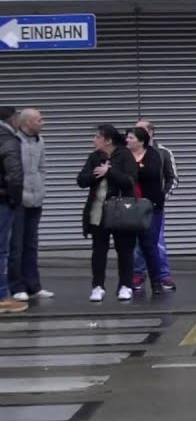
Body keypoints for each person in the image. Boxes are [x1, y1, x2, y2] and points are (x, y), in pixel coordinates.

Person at [77, 125, 140, 302]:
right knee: (98, 250)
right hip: (98, 211)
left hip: (120, 210)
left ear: (108, 140)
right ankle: (97, 286)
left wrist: (110, 171)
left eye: (97, 137)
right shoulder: (94, 157)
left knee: (125, 250)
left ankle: (125, 285)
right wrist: (96, 174)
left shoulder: (124, 155)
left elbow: (130, 180)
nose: (94, 141)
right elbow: (81, 180)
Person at [9, 109, 52, 302]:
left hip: (36, 199)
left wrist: (40, 189)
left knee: (31, 244)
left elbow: (42, 168)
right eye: (38, 120)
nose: (42, 123)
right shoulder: (14, 141)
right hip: (18, 201)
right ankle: (16, 285)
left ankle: (33, 285)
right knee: (16, 245)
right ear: (26, 123)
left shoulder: (40, 141)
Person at [131, 119, 177, 294]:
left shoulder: (163, 152)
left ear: (150, 133)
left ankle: (163, 275)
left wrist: (161, 198)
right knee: (137, 242)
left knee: (157, 241)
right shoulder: (129, 153)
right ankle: (138, 274)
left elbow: (172, 178)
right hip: (134, 206)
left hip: (154, 206)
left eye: (140, 130)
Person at [0, 108, 27, 313]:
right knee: (2, 249)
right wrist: (15, 199)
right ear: (12, 119)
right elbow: (14, 174)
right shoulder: (8, 139)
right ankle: (2, 296)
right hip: (2, 200)